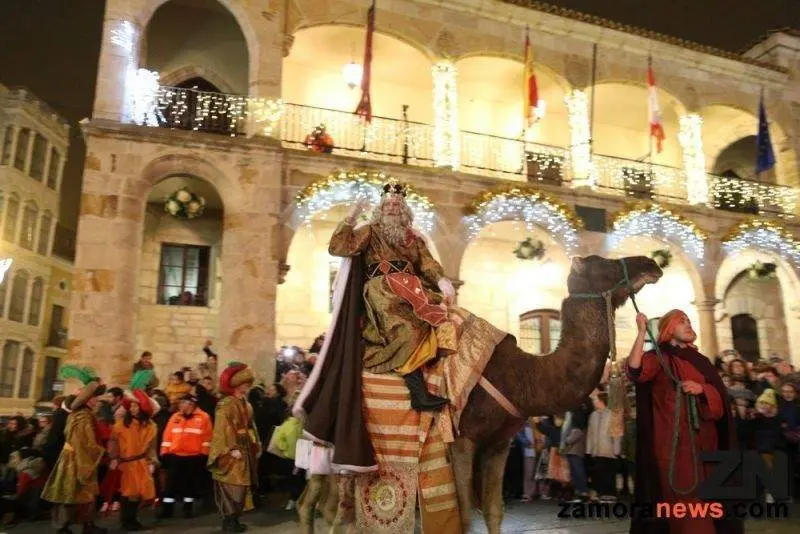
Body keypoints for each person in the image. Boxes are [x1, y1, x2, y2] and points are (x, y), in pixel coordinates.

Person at [325, 180, 456, 410]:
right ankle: (418, 394)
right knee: (410, 327)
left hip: (413, 288)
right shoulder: (370, 230)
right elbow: (338, 247)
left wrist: (442, 279)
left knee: (448, 317)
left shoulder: (413, 239)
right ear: (380, 209)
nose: (392, 208)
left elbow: (426, 263)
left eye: (397, 205)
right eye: (388, 205)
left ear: (403, 210)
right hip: (382, 289)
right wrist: (353, 215)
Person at [626, 310, 741, 534]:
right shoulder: (659, 357)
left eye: (689, 321)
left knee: (707, 498)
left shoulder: (701, 361)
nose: (688, 325)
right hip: (673, 444)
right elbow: (635, 371)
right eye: (682, 321)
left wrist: (703, 389)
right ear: (669, 329)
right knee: (684, 500)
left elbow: (719, 401)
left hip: (706, 443)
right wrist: (641, 333)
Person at [41, 366, 108, 534]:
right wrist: (101, 452)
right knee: (72, 494)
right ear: (87, 400)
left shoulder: (80, 415)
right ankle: (68, 527)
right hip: (77, 460)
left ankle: (84, 525)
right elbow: (83, 442)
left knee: (79, 494)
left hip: (74, 458)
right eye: (94, 398)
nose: (96, 401)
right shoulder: (82, 417)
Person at [208, 362, 261, 533]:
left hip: (245, 448)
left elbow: (251, 425)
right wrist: (231, 448)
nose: (248, 387)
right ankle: (229, 520)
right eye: (246, 384)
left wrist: (255, 443)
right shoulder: (226, 404)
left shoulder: (245, 403)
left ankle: (235, 519)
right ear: (237, 385)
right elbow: (223, 427)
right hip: (232, 451)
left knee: (243, 484)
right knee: (233, 484)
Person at [109, 371, 159, 531]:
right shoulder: (121, 424)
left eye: (136, 405)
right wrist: (114, 458)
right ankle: (127, 520)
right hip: (127, 464)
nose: (133, 408)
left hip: (141, 463)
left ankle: (132, 519)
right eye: (131, 405)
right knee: (127, 493)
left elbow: (151, 445)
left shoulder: (150, 426)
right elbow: (114, 441)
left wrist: (152, 460)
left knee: (139, 493)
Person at [159, 393, 213, 518]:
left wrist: (204, 455)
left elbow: (207, 438)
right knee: (170, 485)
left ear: (191, 404)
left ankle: (187, 508)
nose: (180, 405)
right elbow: (167, 436)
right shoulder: (174, 417)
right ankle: (167, 510)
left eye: (182, 403)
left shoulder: (204, 417)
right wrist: (164, 453)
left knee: (190, 484)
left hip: (194, 457)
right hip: (175, 456)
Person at [586, 392, 621, 502]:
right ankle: (602, 494)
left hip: (609, 450)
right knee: (599, 474)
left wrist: (617, 450)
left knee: (609, 473)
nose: (594, 402)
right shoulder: (593, 415)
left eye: (595, 400)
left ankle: (611, 494)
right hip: (596, 450)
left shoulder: (612, 414)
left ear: (601, 401)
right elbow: (590, 433)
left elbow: (617, 434)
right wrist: (588, 449)